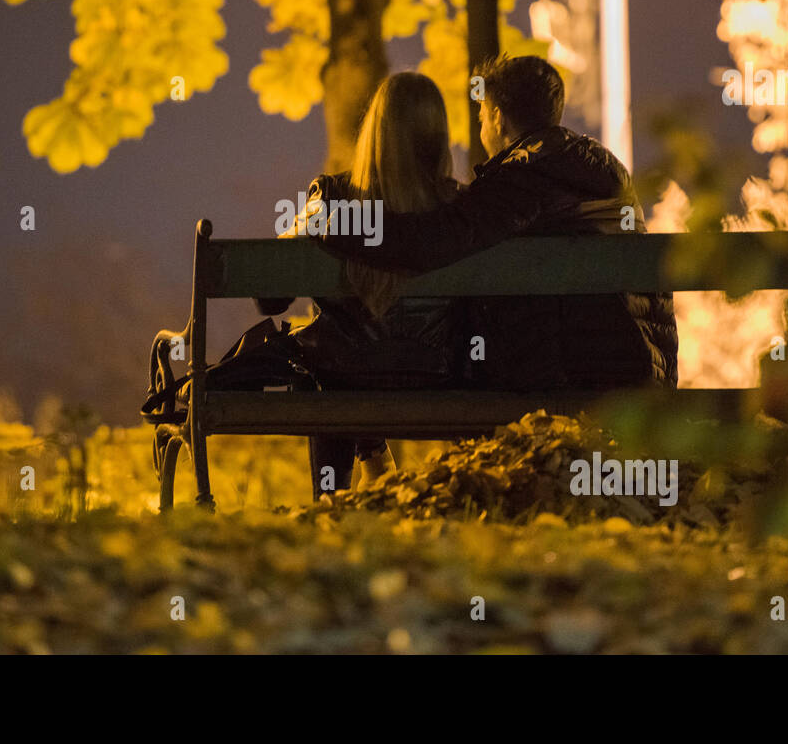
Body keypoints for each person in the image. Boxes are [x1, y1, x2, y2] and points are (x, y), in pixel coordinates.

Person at [311, 55, 678, 391]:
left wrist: (332, 223)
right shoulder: (595, 166)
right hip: (635, 364)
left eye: (483, 117)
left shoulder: (523, 176)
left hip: (575, 374)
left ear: (498, 117)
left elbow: (430, 241)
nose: (483, 128)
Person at [257, 71, 465, 496]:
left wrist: (301, 226)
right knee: (341, 353)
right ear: (439, 137)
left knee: (326, 355)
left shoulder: (332, 200)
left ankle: (332, 497)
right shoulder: (463, 210)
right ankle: (380, 462)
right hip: (439, 374)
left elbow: (270, 298)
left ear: (373, 132)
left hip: (346, 378)